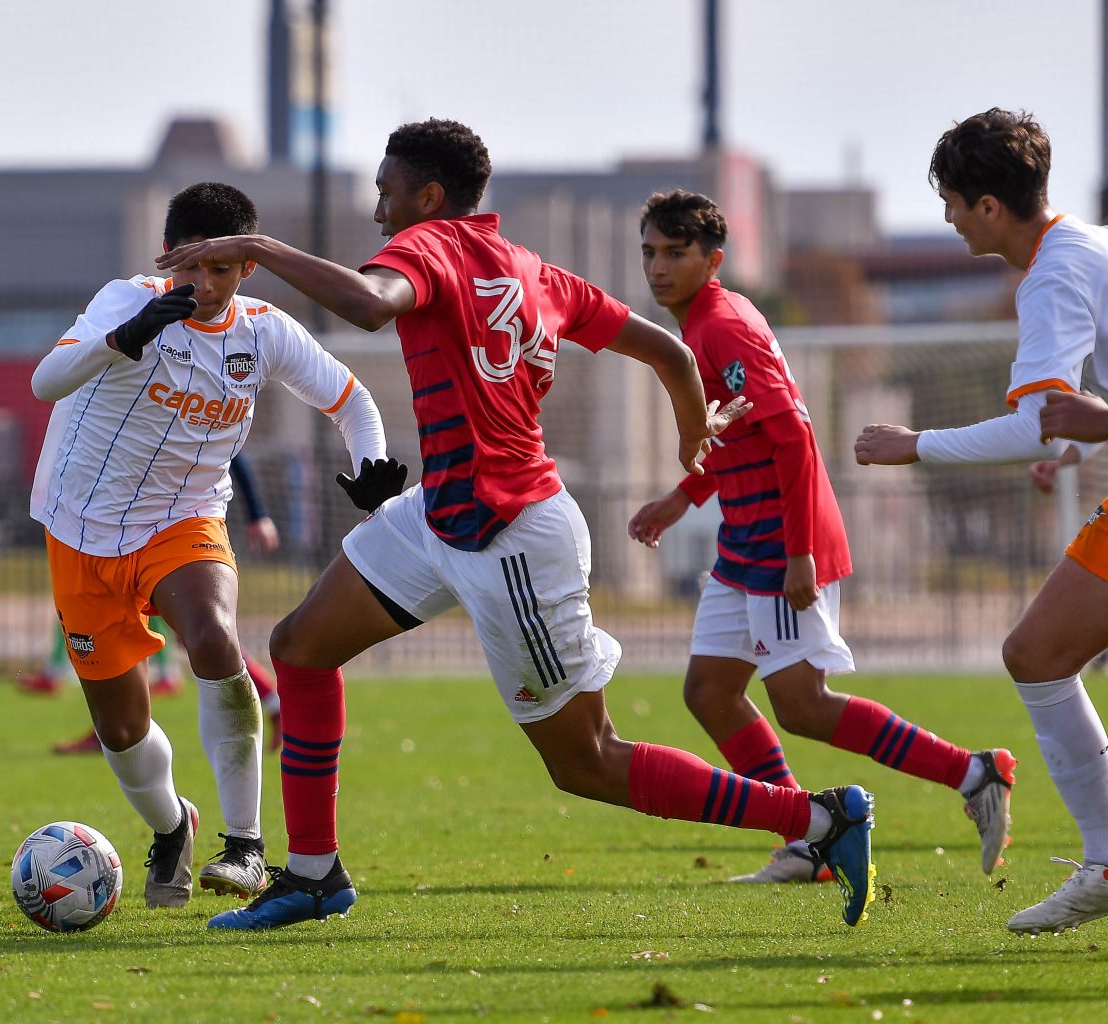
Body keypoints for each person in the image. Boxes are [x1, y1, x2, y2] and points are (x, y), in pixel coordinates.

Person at [158, 118, 875, 932]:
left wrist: (260, 245)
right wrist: (688, 433)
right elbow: (671, 357)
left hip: (510, 534)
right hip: (444, 514)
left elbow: (365, 306)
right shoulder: (535, 270)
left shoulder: (427, 249)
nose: (377, 211)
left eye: (386, 193)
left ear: (430, 197)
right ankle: (315, 875)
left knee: (587, 762)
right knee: (300, 647)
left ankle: (820, 820)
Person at [627, 189, 1015, 885]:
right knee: (710, 692)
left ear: (712, 261)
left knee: (804, 706)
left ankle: (974, 772)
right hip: (742, 545)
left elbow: (795, 438)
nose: (659, 267)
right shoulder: (703, 326)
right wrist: (680, 500)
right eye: (650, 252)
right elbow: (739, 438)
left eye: (676, 253)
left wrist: (801, 551)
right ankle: (804, 838)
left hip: (779, 543)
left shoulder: (724, 327)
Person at [30, 181, 388, 909]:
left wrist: (371, 464)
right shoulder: (126, 302)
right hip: (80, 529)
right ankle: (172, 827)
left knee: (215, 639)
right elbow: (45, 381)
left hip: (185, 520)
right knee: (122, 732)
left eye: (219, 268)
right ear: (167, 260)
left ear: (245, 269)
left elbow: (351, 399)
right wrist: (121, 340)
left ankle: (247, 847)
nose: (202, 284)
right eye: (188, 268)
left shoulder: (263, 331)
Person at [856, 108, 1108, 934]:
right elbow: (1064, 421)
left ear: (991, 207)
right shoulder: (1090, 246)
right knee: (1037, 653)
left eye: (954, 203)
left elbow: (1032, 421)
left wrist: (914, 445)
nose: (949, 220)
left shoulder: (1054, 275)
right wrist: (1075, 446)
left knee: (1036, 654)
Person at [40, 450, 285, 753]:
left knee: (194, 632)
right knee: (177, 632)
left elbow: (234, 450)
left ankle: (271, 703)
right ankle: (112, 727)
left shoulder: (188, 412)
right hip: (129, 529)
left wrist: (258, 513)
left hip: (171, 531)